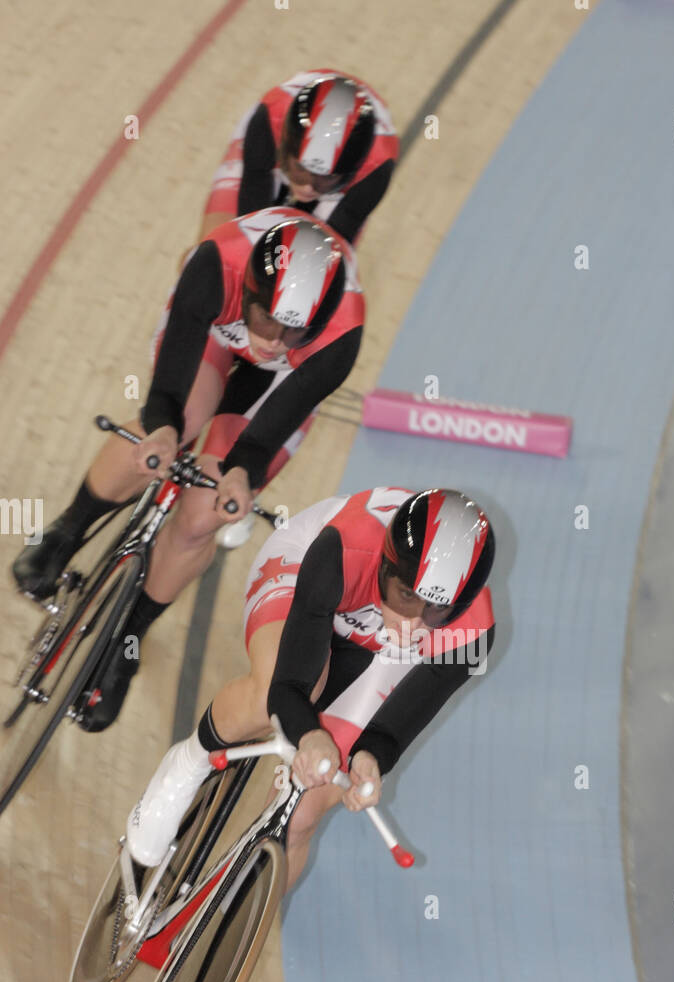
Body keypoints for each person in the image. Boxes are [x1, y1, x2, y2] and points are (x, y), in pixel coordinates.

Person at [12, 210, 365, 730]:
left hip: (278, 389)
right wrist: (161, 431)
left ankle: (127, 641)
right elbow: (168, 390)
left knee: (203, 514)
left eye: (294, 331)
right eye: (267, 319)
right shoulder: (216, 264)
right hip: (215, 338)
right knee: (179, 421)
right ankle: (68, 529)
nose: (273, 341)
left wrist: (242, 473)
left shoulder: (341, 330)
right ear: (249, 290)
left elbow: (270, 427)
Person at [125, 487, 496, 897]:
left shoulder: (472, 633)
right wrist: (309, 734)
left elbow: (395, 727)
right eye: (406, 596)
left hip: (378, 647)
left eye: (436, 610)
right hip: (305, 569)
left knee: (302, 814)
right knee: (272, 697)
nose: (413, 623)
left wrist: (370, 761)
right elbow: (289, 687)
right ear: (388, 570)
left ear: (461, 606)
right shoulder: (344, 549)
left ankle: (227, 930)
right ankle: (188, 760)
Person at [198, 70, 399, 248]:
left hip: (346, 183)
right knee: (216, 244)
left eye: (324, 179)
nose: (308, 188)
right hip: (274, 143)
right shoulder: (269, 119)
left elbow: (339, 236)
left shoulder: (377, 167)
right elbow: (254, 186)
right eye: (301, 171)